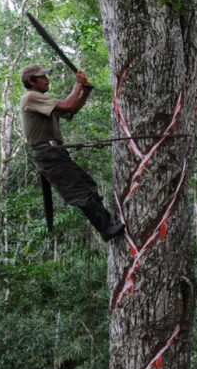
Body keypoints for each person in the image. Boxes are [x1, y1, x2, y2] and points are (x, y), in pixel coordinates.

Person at [19, 64, 125, 242]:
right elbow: (67, 105)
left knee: (88, 185)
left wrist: (85, 92)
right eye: (42, 77)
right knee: (80, 193)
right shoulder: (31, 97)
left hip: (56, 152)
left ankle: (107, 222)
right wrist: (78, 85)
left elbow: (71, 110)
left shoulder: (42, 101)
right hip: (47, 154)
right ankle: (106, 229)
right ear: (31, 81)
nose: (47, 80)